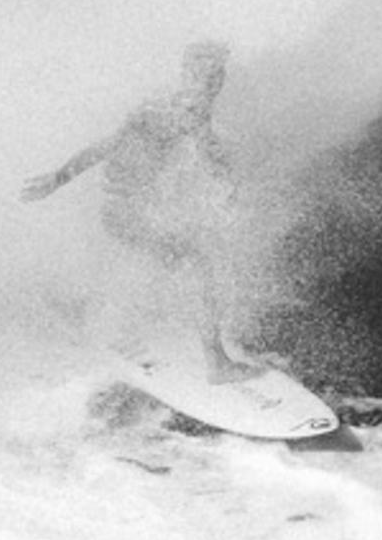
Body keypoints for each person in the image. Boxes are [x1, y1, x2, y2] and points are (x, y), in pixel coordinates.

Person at [20, 40, 253, 370]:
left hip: (126, 211)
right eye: (207, 74)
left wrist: (60, 178)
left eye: (218, 75)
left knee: (170, 259)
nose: (215, 82)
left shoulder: (169, 108)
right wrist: (59, 178)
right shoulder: (181, 111)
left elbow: (114, 144)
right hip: (127, 212)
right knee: (201, 264)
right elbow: (198, 154)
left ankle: (120, 329)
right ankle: (216, 363)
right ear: (188, 74)